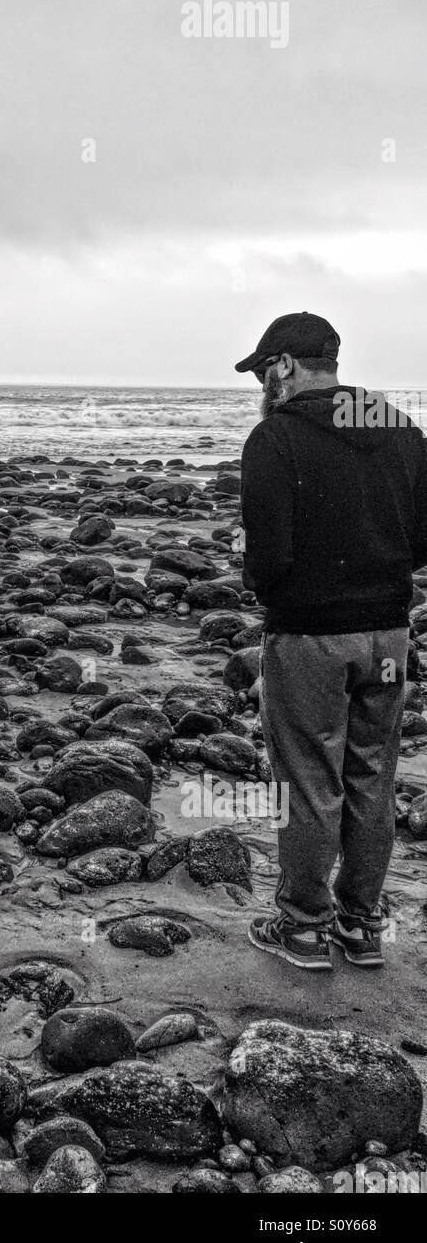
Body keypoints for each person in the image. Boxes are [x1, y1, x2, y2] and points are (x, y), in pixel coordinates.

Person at [236, 312, 427, 969]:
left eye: (266, 371)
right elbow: (423, 541)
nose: (265, 384)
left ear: (287, 366)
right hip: (387, 636)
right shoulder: (401, 431)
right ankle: (361, 927)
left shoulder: (276, 439)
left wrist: (284, 597)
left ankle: (304, 927)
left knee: (310, 779)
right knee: (374, 775)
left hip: (311, 636)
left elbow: (267, 556)